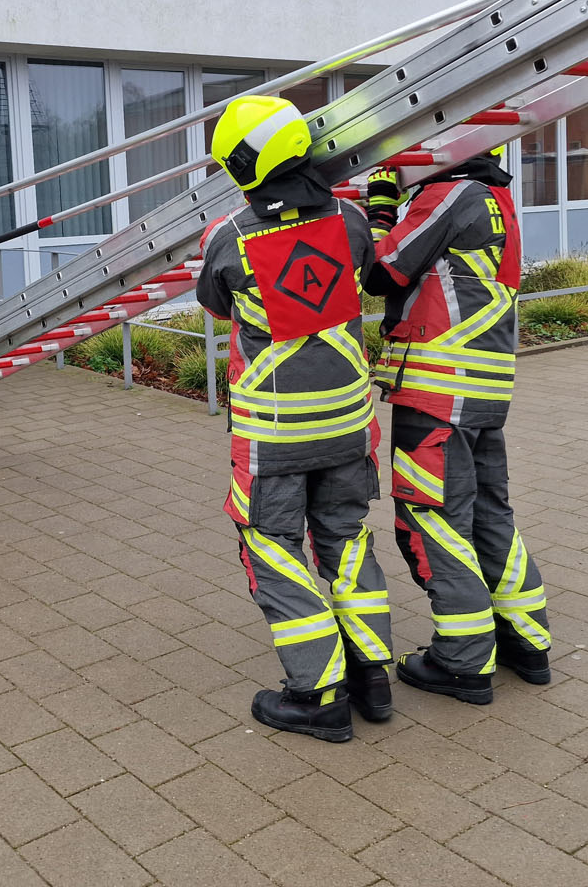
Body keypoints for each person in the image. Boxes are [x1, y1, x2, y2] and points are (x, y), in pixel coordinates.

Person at [197, 96, 393, 743]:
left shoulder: (228, 237)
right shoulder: (352, 219)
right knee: (347, 539)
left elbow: (217, 306)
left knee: (272, 547)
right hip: (348, 424)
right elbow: (368, 267)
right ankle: (372, 676)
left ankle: (319, 693)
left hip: (275, 434)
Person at [363, 150, 551, 706]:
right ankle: (527, 642)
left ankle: (463, 661)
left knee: (434, 522)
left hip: (436, 391)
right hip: (484, 391)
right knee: (491, 514)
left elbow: (381, 272)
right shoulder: (497, 199)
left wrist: (380, 210)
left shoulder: (448, 193)